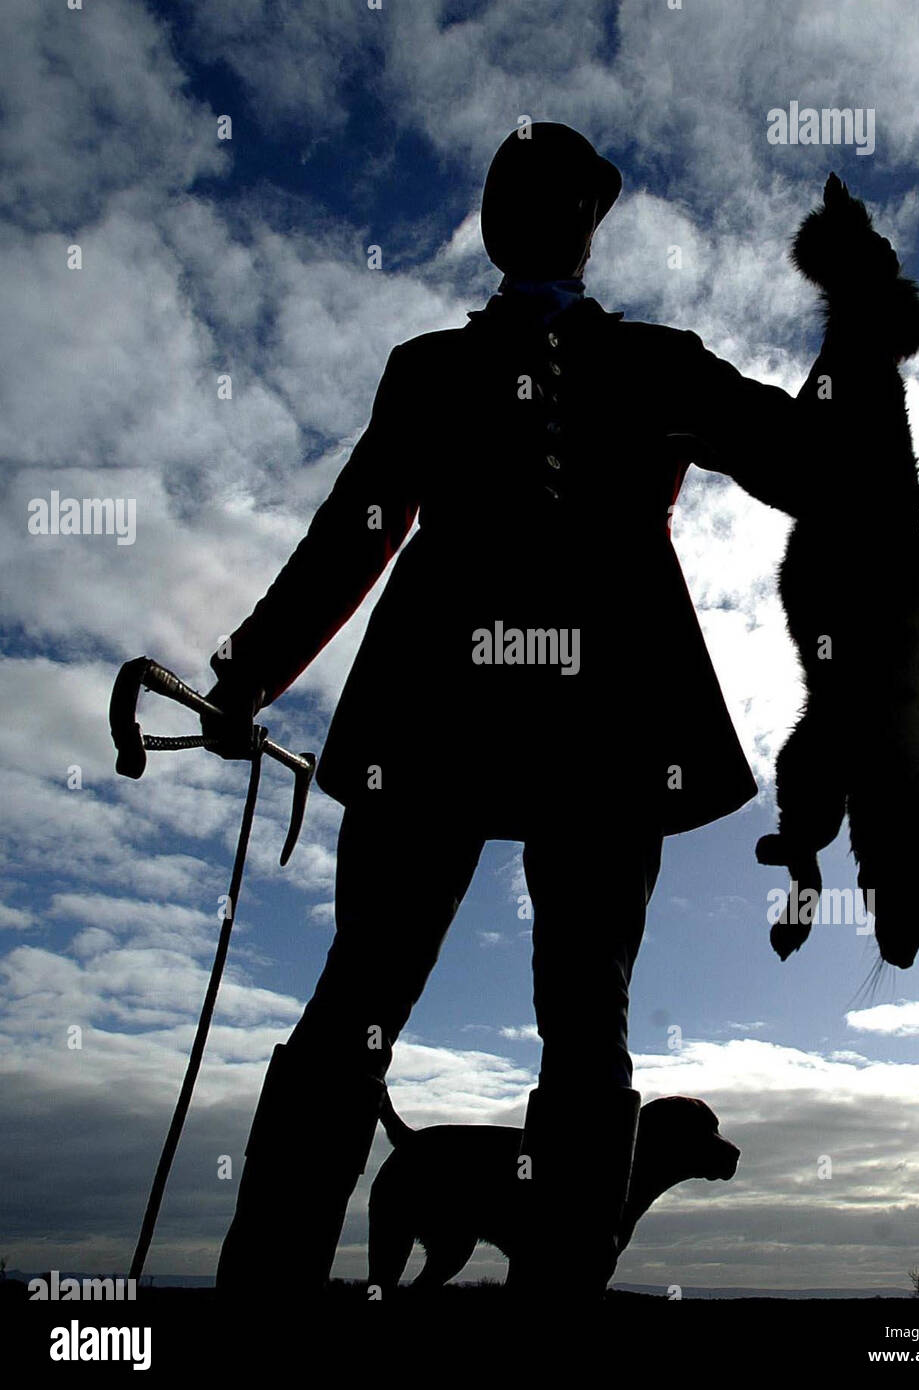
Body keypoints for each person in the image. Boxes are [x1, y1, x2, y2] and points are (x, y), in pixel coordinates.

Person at [204, 122, 828, 1300]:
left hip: (604, 736)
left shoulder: (661, 363)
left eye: (564, 203)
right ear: (511, 226)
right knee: (361, 1004)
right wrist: (247, 674)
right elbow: (359, 530)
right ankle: (262, 1304)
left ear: (587, 230)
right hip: (433, 726)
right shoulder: (429, 369)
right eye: (528, 201)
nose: (548, 221)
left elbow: (802, 462)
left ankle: (557, 1315)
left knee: (582, 1024)